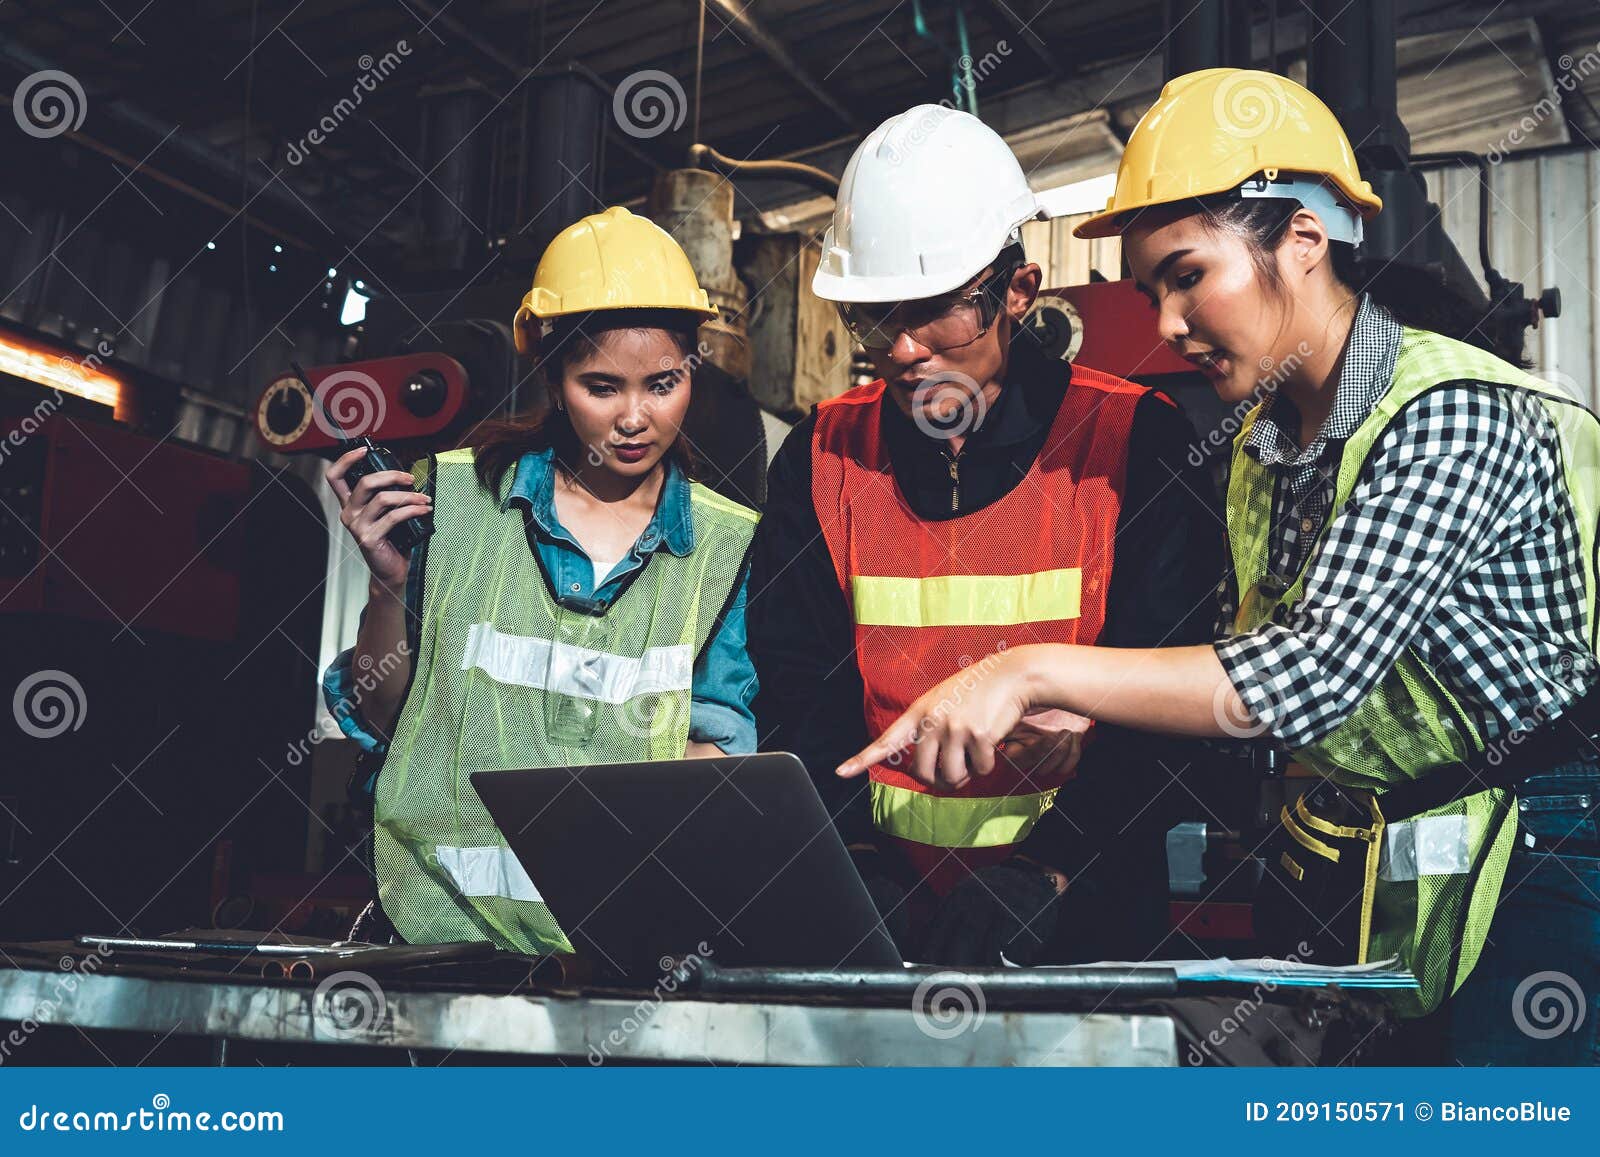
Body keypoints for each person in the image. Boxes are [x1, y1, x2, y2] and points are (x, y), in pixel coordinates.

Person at [839, 69, 1600, 1064]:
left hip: (1543, 845)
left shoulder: (1447, 411)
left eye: (1189, 274)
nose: (1164, 322)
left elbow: (1304, 676)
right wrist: (1095, 718)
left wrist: (1031, 669)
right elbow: (1248, 655)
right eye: (1153, 288)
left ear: (1302, 240)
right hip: (1389, 849)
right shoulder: (1261, 440)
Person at [749, 104, 1223, 965]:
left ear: (1017, 291)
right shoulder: (821, 455)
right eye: (870, 316)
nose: (898, 347)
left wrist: (1055, 869)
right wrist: (854, 859)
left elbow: (1175, 700)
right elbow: (796, 695)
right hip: (879, 919)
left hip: (1085, 925)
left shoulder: (1131, 442)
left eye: (933, 311)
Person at [322, 206, 760, 954]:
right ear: (553, 379)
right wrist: (388, 589)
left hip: (617, 943)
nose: (634, 417)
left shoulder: (719, 543)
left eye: (661, 384)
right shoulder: (457, 501)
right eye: (601, 385)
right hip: (438, 935)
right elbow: (387, 717)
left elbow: (720, 747)